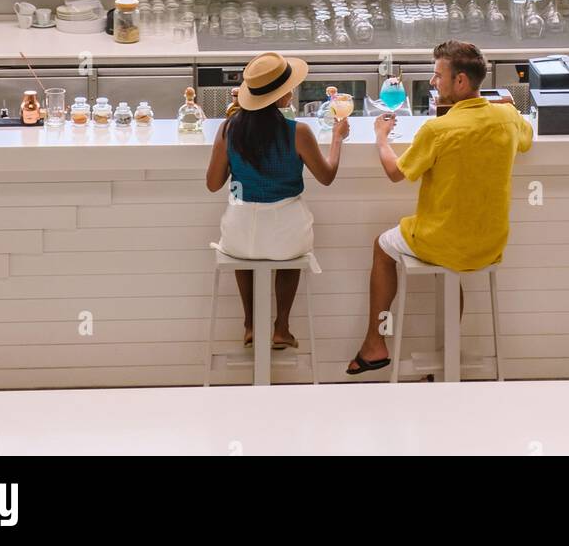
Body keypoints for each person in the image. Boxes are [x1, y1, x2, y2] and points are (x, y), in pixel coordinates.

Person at [346, 39, 533, 376]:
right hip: (490, 245)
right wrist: (506, 106)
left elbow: (394, 172)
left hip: (443, 242)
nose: (433, 82)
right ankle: (447, 352)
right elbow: (527, 136)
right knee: (452, 266)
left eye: (438, 76)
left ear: (460, 81)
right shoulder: (506, 117)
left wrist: (381, 137)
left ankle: (375, 342)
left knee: (382, 246)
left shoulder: (439, 128)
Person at [206, 50, 348, 351]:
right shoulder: (299, 133)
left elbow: (212, 183)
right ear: (282, 96)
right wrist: (337, 139)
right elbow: (327, 176)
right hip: (287, 236)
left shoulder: (229, 129)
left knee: (244, 246)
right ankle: (281, 326)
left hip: (238, 235)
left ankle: (250, 325)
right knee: (289, 246)